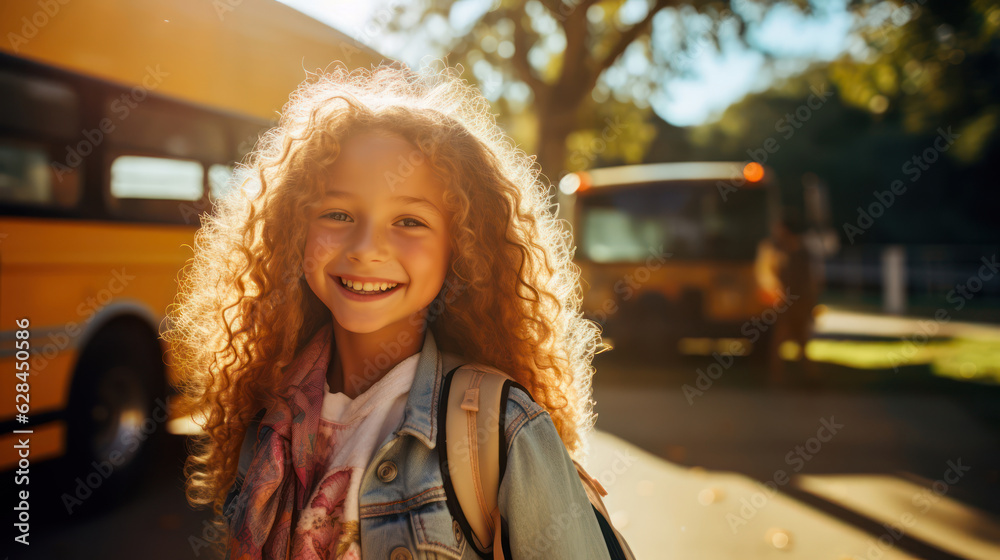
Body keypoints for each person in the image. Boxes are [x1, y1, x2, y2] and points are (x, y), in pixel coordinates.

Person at [163, 62, 612, 559]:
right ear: (294, 230)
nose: (366, 247)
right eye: (337, 214)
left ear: (460, 246)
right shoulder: (267, 412)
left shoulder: (498, 428)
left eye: (409, 220)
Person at [758, 208, 822, 387]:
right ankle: (779, 378)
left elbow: (810, 279)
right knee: (781, 341)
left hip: (798, 302)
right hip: (785, 303)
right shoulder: (776, 248)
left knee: (800, 340)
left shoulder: (800, 251)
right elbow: (767, 273)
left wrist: (811, 304)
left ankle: (808, 378)